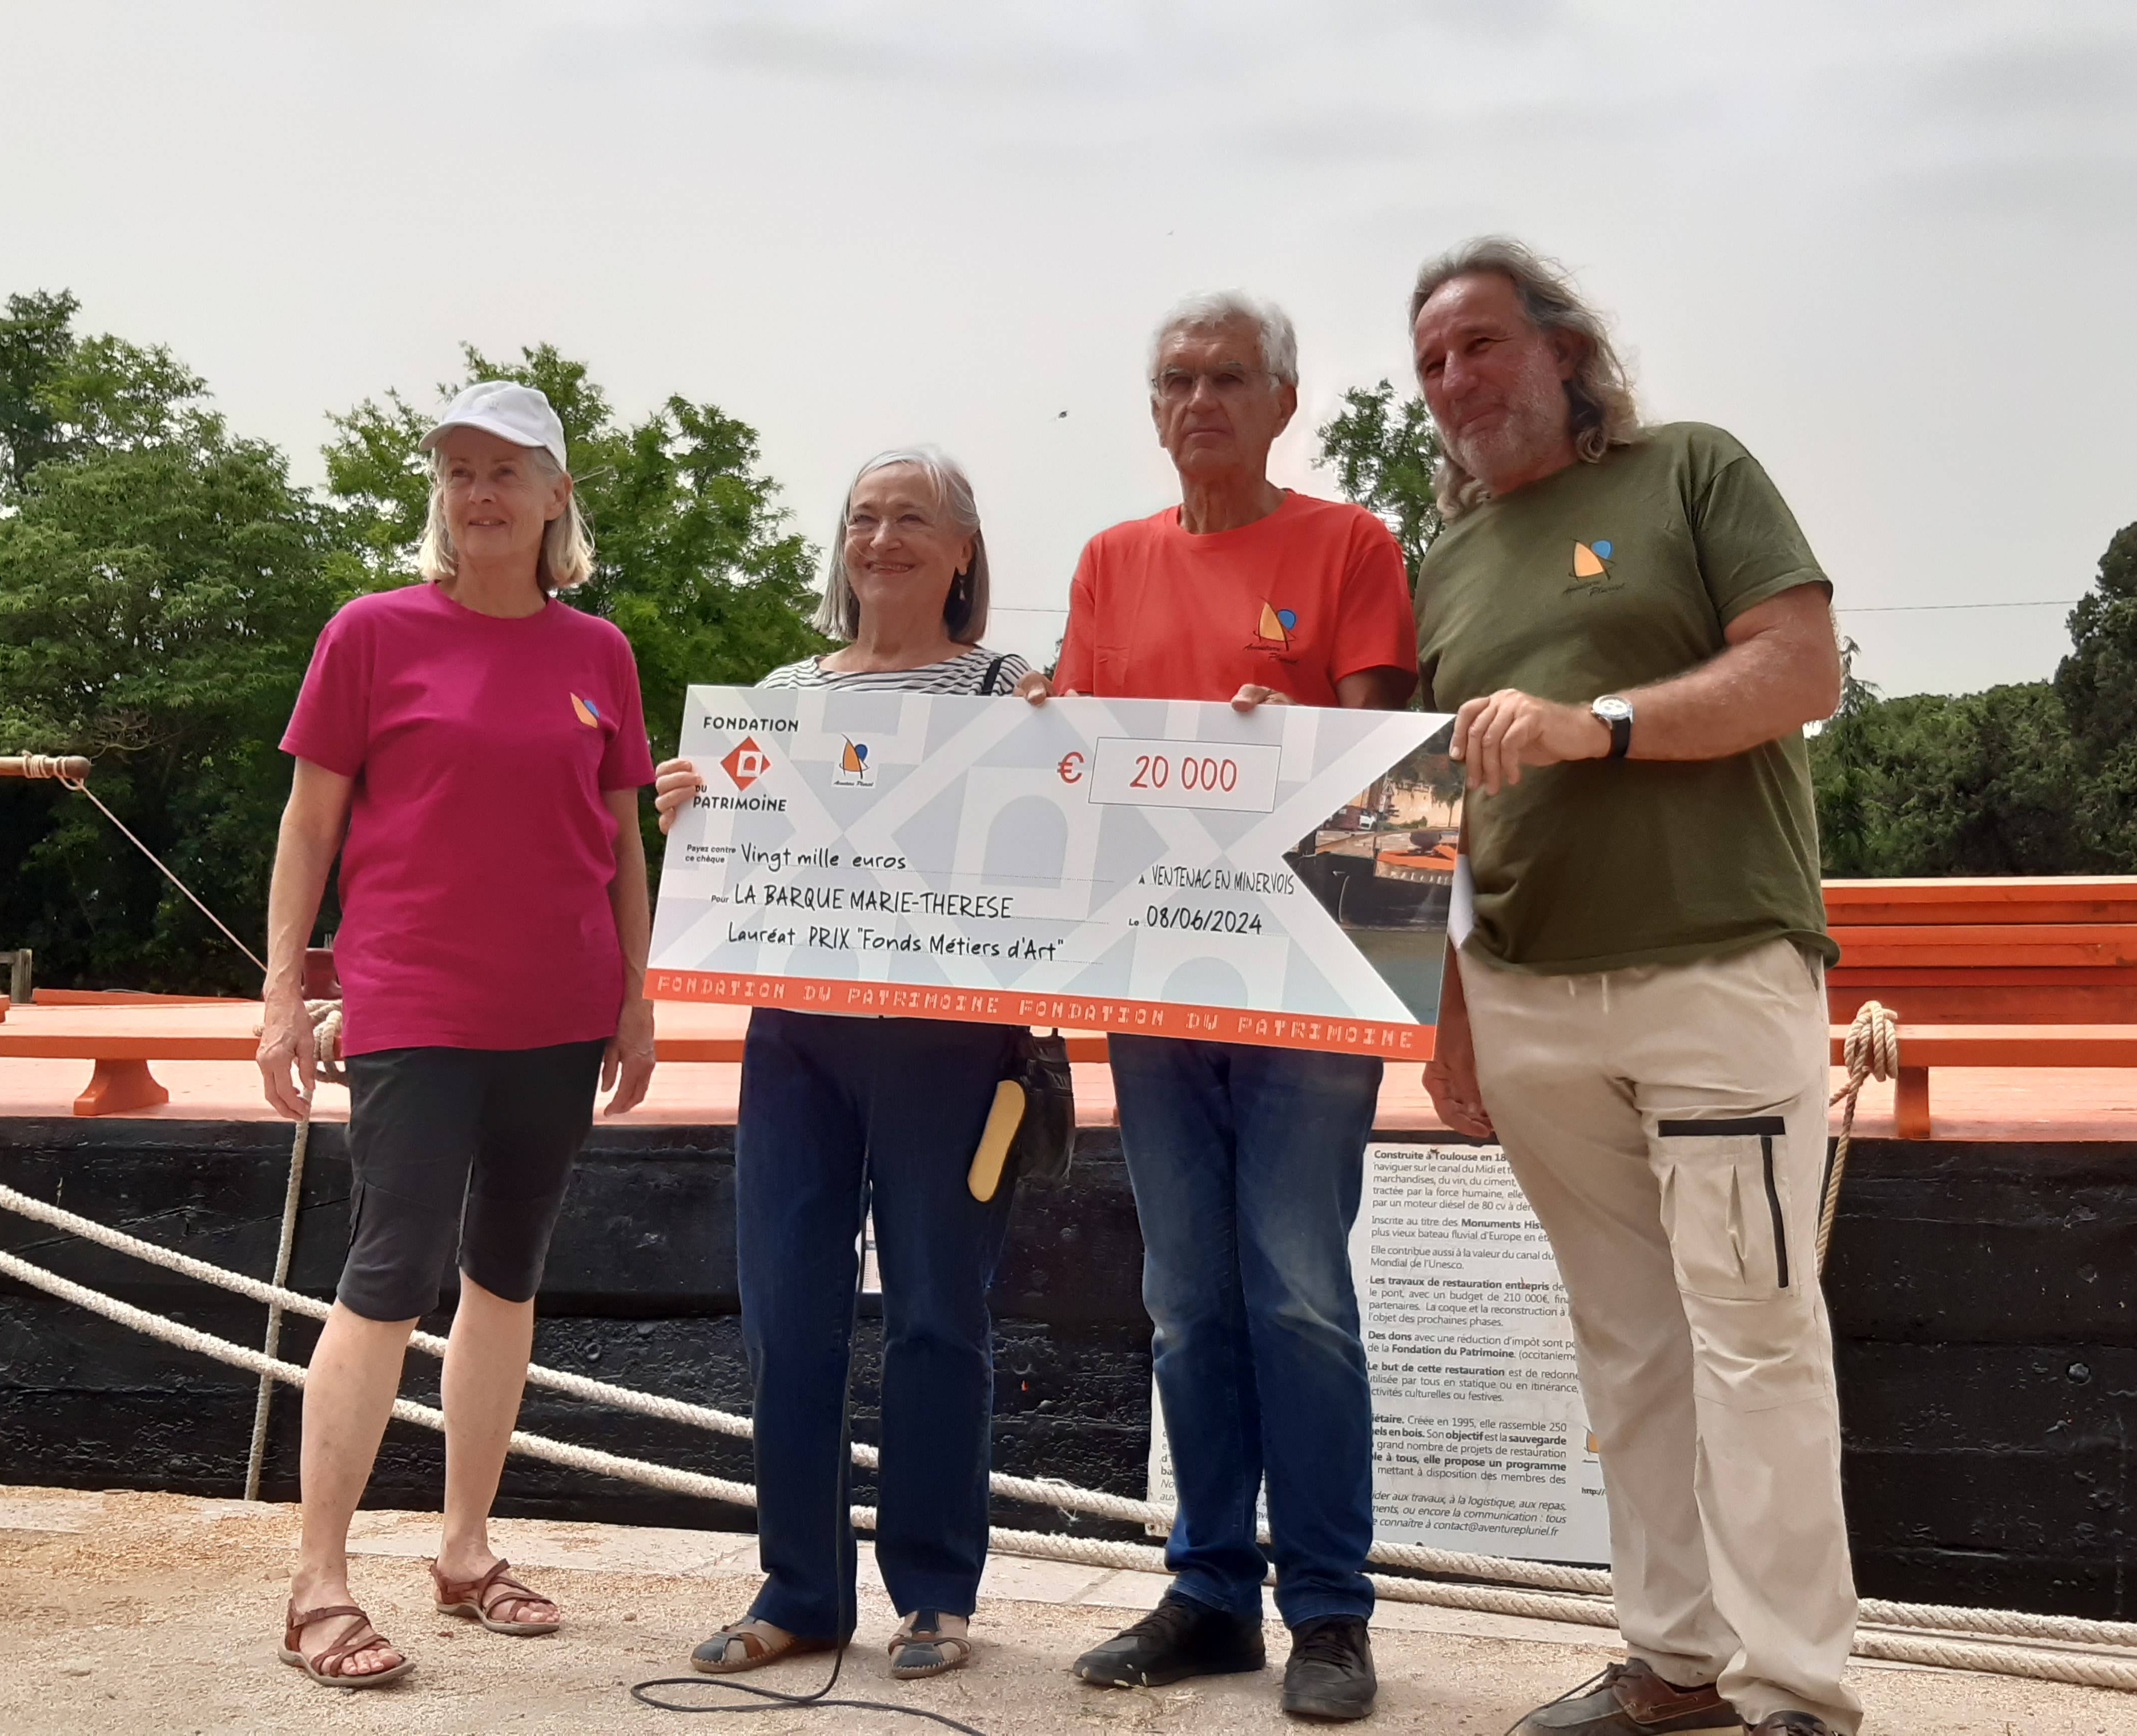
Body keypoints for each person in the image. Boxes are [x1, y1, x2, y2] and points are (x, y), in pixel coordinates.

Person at [1409, 237, 1859, 1736]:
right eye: (1429, 363)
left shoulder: (1693, 472)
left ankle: (1795, 1688)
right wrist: (1452, 1012)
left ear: (1563, 348)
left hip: (1714, 968)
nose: (1454, 380)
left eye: (1479, 343)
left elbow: (1801, 671)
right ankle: (1675, 1666)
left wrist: (1591, 724)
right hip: (1528, 998)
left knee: (1755, 1327)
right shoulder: (1449, 560)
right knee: (1626, 1341)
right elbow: (1430, 814)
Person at [1041, 293, 1416, 1723]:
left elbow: (1391, 766)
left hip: (1311, 979)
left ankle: (1328, 1611)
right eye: (1175, 379)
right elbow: (1080, 767)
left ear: (1285, 399)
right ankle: (1209, 1593)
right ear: (1151, 406)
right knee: (1188, 1304)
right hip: (1154, 983)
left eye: (1228, 378)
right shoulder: (1106, 564)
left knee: (1301, 1298)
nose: (1199, 399)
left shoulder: (1351, 546)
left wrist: (1302, 749)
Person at [255, 381, 658, 1687]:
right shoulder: (370, 634)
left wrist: (637, 1000)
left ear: (557, 497)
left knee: (509, 1274)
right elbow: (309, 827)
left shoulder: (600, 654)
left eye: (506, 470)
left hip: (560, 1009)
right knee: (390, 1269)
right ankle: (319, 1582)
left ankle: (467, 1551)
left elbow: (624, 843)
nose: (479, 492)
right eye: (460, 471)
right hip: (416, 1003)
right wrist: (279, 997)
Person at [655, 448, 1037, 1684]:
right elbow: (734, 864)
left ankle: (935, 1593)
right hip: (800, 1035)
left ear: (963, 550)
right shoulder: (777, 692)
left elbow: (1061, 835)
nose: (882, 538)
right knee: (785, 1306)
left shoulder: (1012, 688)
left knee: (939, 1310)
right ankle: (801, 1588)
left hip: (951, 1034)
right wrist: (690, 811)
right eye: (864, 517)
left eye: (912, 519)